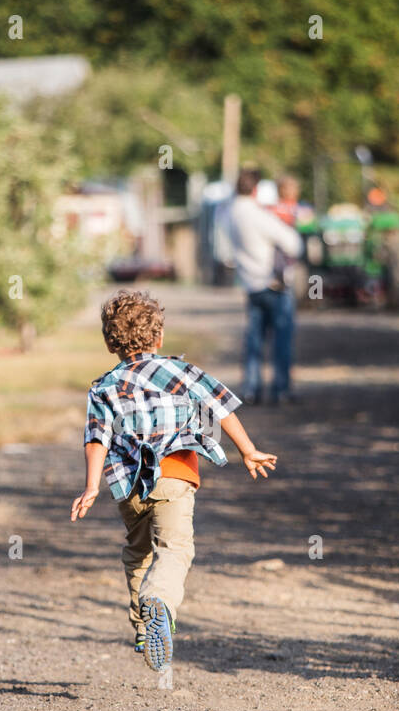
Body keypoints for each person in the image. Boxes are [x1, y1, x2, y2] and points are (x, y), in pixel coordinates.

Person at [70, 289, 278, 672]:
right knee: (174, 549)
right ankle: (158, 601)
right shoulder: (181, 371)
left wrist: (91, 487)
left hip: (127, 487)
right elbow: (220, 407)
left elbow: (96, 438)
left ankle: (141, 626)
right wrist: (247, 450)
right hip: (174, 476)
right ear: (159, 338)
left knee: (137, 553)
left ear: (109, 342)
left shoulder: (103, 386)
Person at [228, 168, 304, 405]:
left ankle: (251, 389)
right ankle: (281, 389)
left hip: (251, 285)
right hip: (275, 285)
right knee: (281, 339)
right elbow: (293, 244)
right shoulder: (257, 214)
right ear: (256, 189)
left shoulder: (229, 214)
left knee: (254, 341)